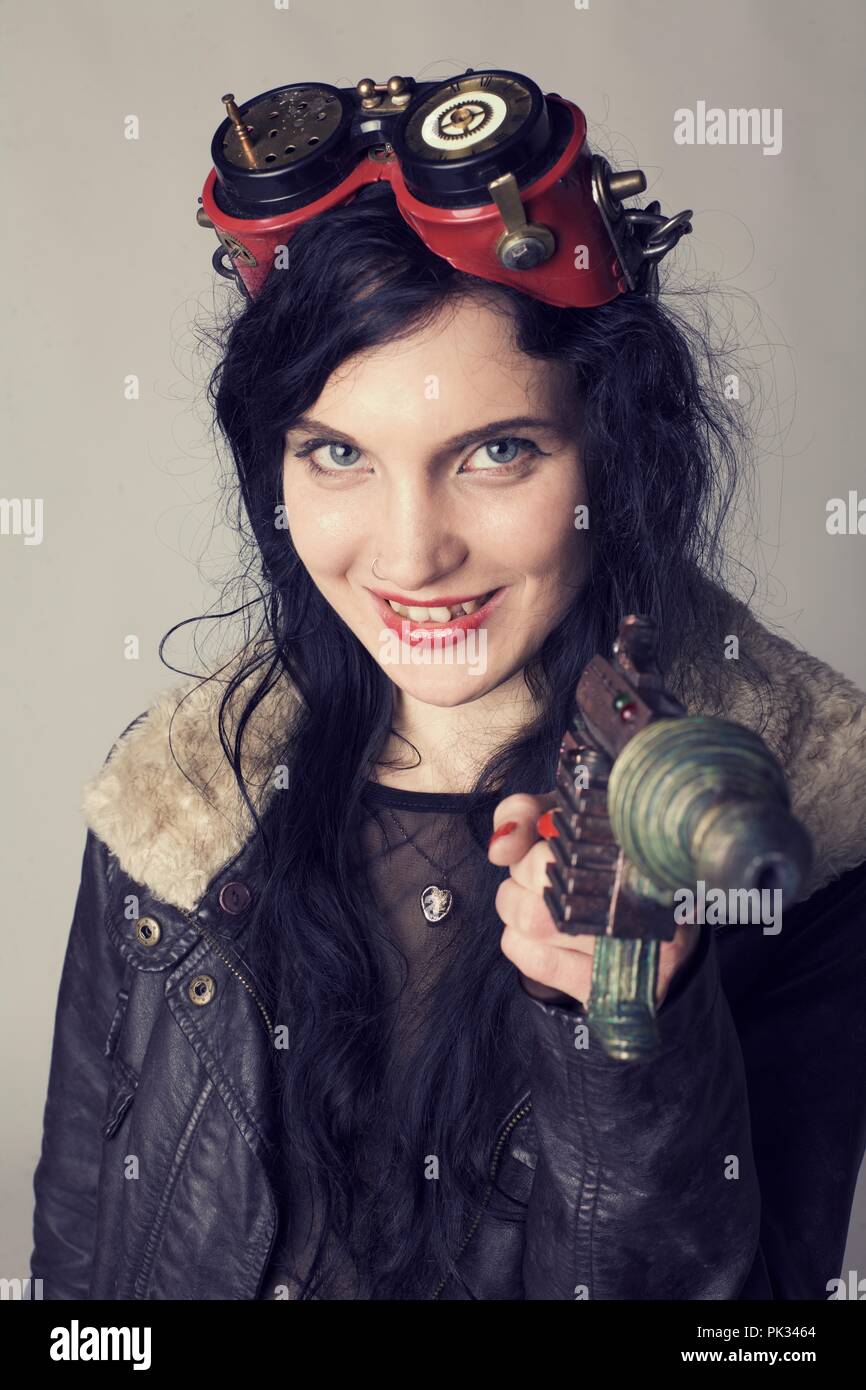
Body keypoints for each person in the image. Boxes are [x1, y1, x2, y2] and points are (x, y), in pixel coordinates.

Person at [30, 186, 866, 1301]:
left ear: (611, 458)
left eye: (496, 451)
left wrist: (621, 1033)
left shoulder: (791, 842)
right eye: (336, 454)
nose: (410, 555)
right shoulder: (175, 804)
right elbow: (78, 1269)